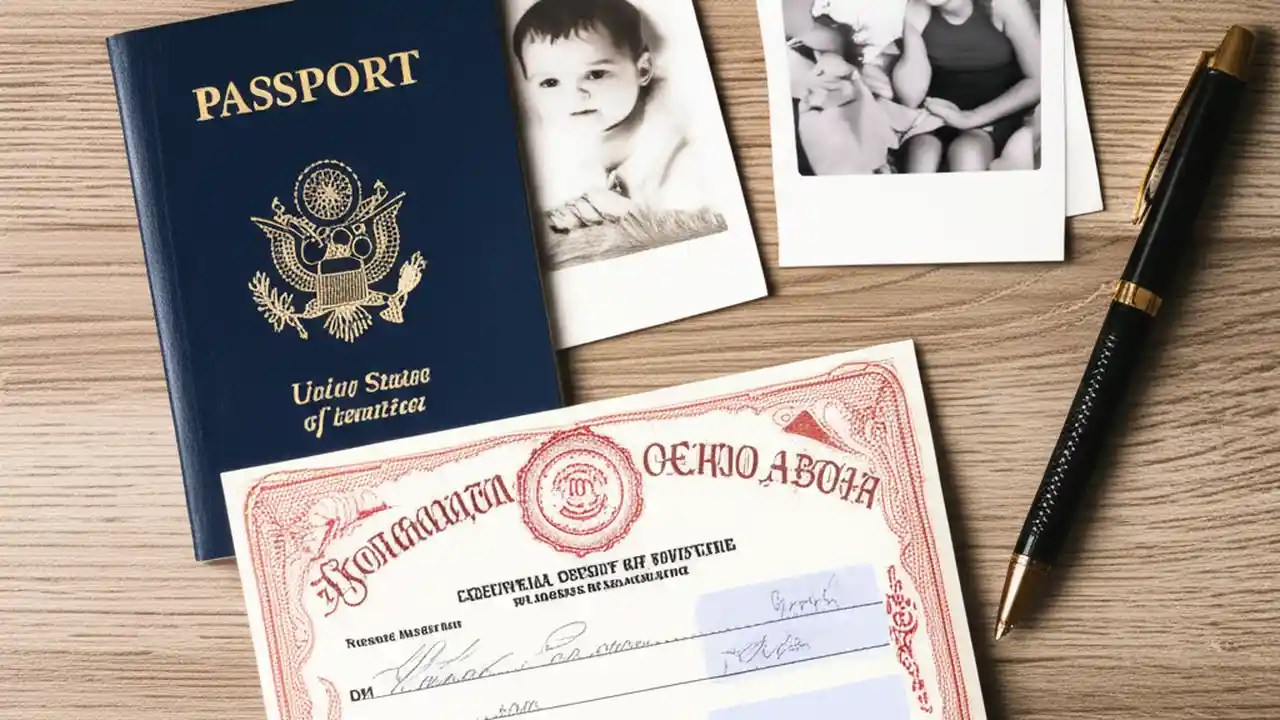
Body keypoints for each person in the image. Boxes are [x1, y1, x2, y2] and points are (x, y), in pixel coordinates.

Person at [512, 0, 706, 233]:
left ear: (642, 70)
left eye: (595, 74)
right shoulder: (540, 153)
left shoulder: (679, 138)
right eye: (550, 82)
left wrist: (633, 213)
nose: (574, 96)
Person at [893, 0, 1041, 173]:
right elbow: (911, 98)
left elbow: (1038, 81)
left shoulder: (1006, 5)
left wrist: (969, 118)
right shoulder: (917, 9)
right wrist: (910, 27)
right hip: (937, 113)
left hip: (994, 114)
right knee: (923, 155)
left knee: (968, 154)